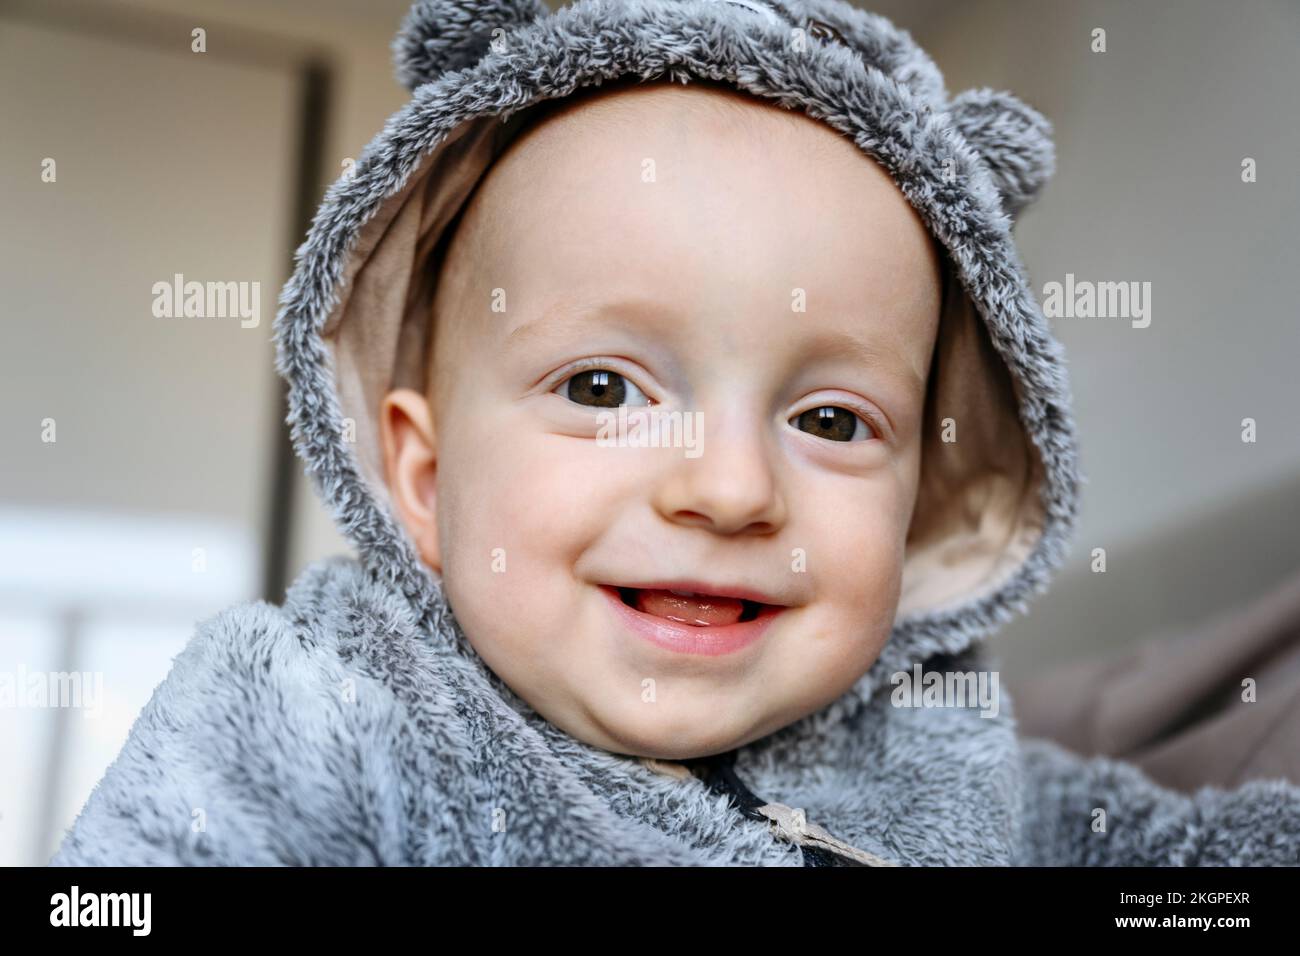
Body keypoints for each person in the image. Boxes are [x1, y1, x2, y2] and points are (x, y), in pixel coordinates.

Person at [49, 0, 1300, 866]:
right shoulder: (331, 707)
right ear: (425, 480)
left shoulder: (944, 755)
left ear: (917, 506)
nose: (730, 483)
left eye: (828, 417)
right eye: (604, 388)